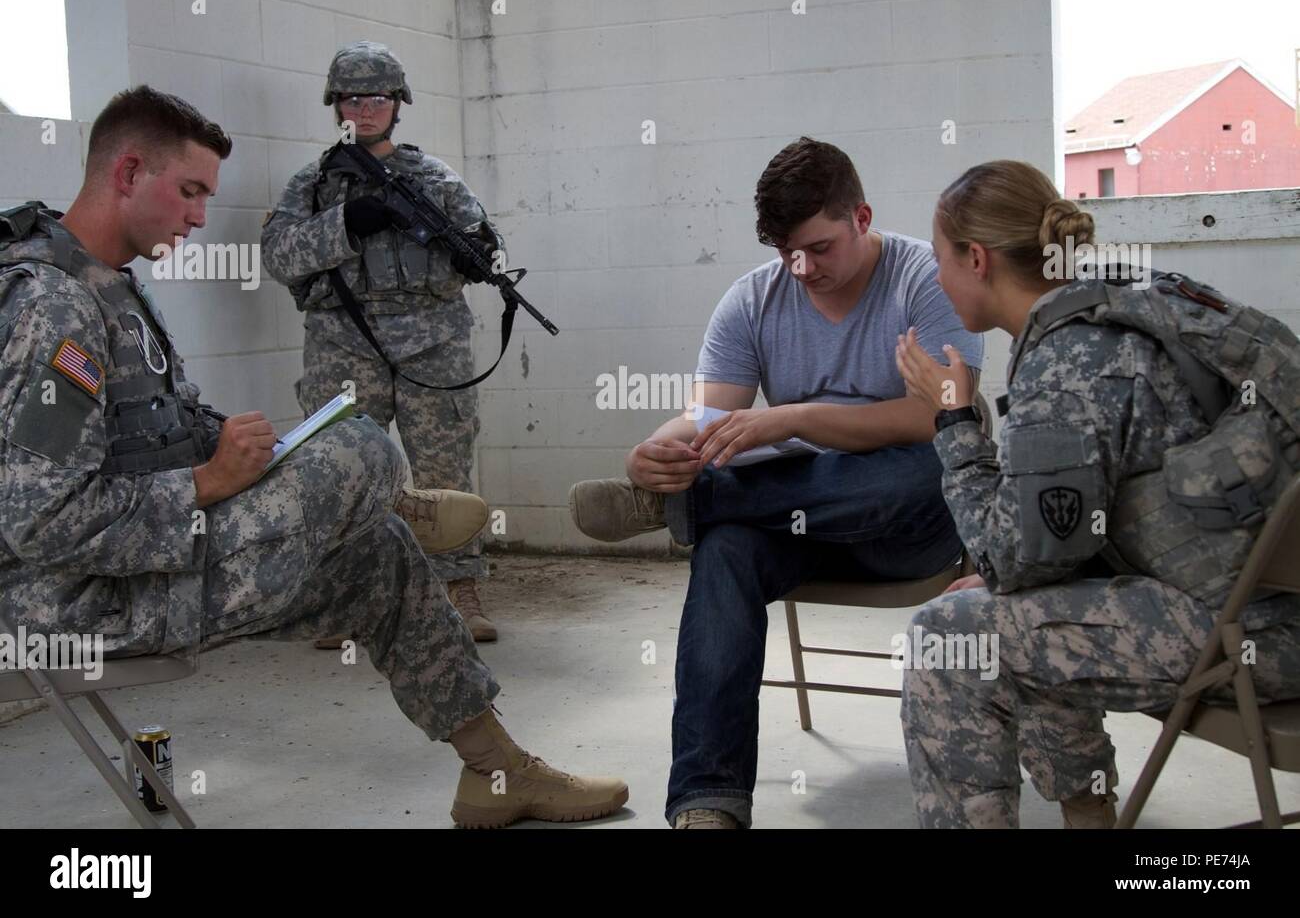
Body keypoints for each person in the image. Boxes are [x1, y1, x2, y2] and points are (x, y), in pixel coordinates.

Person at [0, 85, 628, 828]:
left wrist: (239, 446)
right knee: (362, 451)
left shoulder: (113, 285)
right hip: (63, 609)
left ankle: (497, 774)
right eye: (191, 191)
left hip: (135, 571)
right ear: (129, 172)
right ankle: (386, 500)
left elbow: (164, 428)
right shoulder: (51, 304)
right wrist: (208, 481)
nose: (201, 216)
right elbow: (40, 522)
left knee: (378, 549)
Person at [570, 137, 983, 828]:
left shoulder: (924, 281)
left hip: (910, 528)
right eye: (786, 251)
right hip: (800, 525)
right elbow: (711, 415)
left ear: (861, 217)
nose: (802, 267)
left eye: (819, 247)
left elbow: (935, 416)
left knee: (925, 467)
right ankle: (708, 800)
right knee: (727, 548)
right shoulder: (752, 300)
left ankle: (687, 504)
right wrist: (653, 453)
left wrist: (792, 419)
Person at [893, 159, 1300, 828]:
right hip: (1265, 607)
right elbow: (1053, 551)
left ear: (976, 258)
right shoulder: (1139, 301)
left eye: (941, 260)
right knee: (1017, 611)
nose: (937, 278)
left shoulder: (1069, 363)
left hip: (1258, 635)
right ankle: (1088, 818)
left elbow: (1008, 558)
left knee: (951, 638)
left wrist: (954, 418)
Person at [261, 41, 497, 643]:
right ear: (333, 103)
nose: (364, 110)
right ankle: (345, 600)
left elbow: (476, 241)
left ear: (398, 103)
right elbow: (279, 256)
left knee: (445, 472)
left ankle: (457, 589)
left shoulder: (433, 177)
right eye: (350, 98)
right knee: (342, 472)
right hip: (345, 343)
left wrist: (481, 250)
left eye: (377, 98)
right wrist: (347, 222)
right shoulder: (312, 185)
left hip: (432, 344)